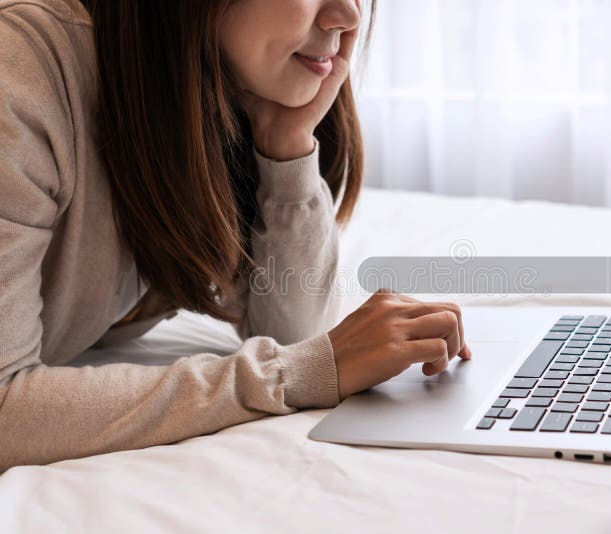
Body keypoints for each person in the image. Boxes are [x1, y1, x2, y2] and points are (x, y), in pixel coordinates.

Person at [0, 0, 471, 472]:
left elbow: (294, 328)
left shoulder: (216, 86)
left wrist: (286, 144)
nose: (347, 16)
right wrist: (292, 374)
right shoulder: (19, 71)